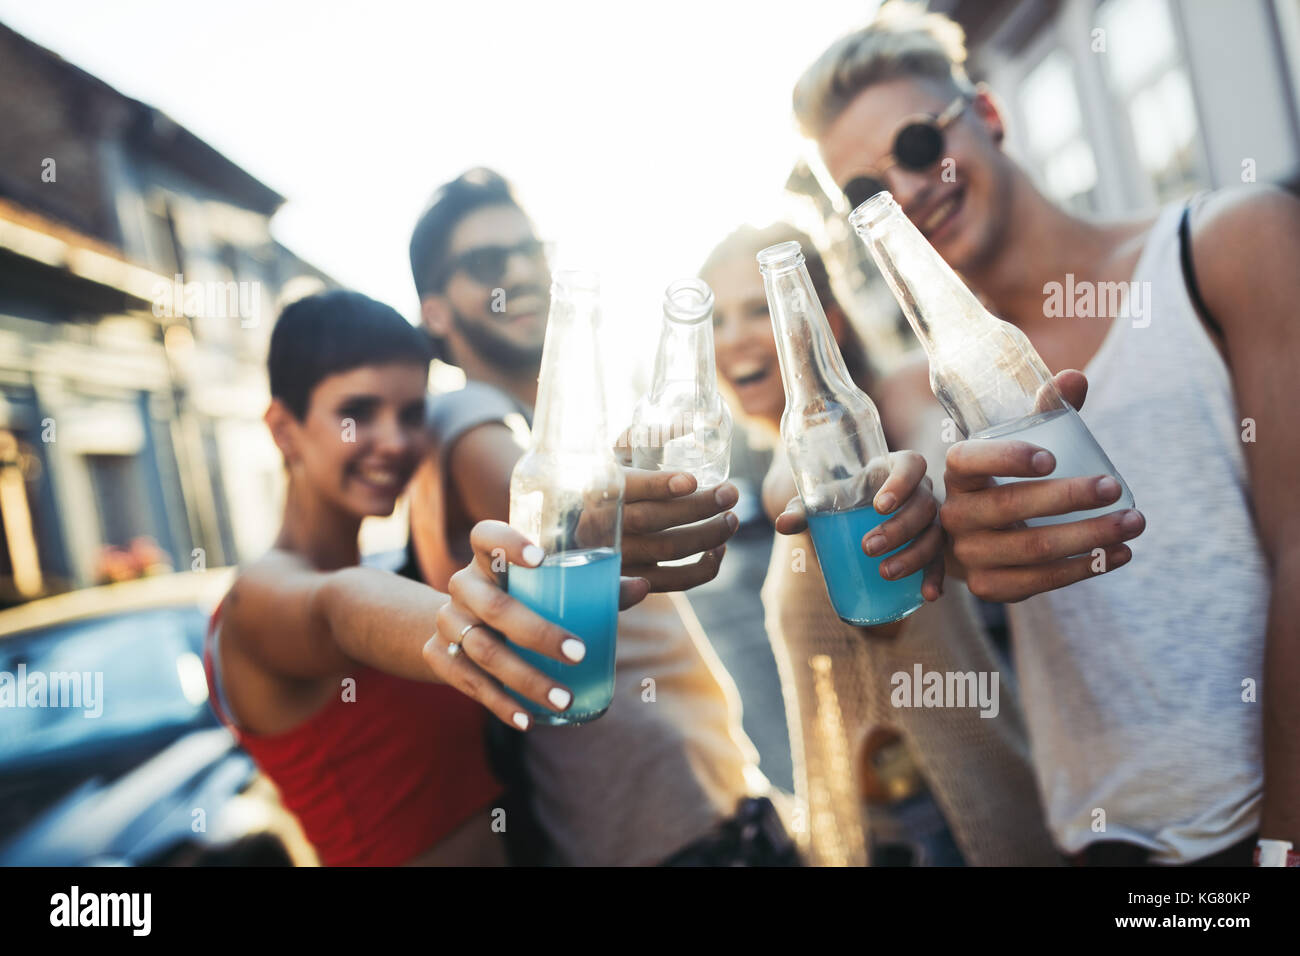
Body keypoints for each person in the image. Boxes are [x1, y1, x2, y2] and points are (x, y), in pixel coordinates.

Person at [793, 3, 1299, 865]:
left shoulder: (1224, 247)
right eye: (867, 192)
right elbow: (854, 550)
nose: (909, 191)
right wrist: (930, 544)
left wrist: (1284, 843)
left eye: (918, 146)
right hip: (1102, 846)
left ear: (987, 115)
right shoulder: (915, 399)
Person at [405, 169, 926, 865]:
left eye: (533, 250)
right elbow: (557, 503)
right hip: (659, 841)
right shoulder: (464, 417)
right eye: (488, 264)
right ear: (436, 311)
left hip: (711, 812)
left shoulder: (548, 424)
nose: (522, 272)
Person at [203, 290, 644, 866]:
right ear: (284, 429)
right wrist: (462, 617)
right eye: (356, 414)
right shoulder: (255, 600)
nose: (395, 441)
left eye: (412, 414)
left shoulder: (396, 570)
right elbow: (337, 610)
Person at [703, 222, 1059, 866]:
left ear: (823, 320)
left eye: (760, 309)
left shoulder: (892, 399)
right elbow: (789, 476)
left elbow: (927, 441)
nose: (736, 339)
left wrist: (922, 489)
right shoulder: (778, 453)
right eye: (718, 320)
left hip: (958, 824)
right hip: (869, 835)